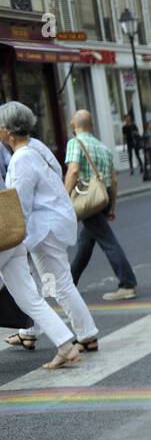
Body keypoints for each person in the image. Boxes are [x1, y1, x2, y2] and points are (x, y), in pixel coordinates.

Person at [0, 101, 98, 367]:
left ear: (8, 130)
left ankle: (85, 334)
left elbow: (18, 206)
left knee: (58, 284)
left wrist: (20, 241)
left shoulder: (21, 159)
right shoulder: (36, 147)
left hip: (39, 230)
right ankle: (56, 339)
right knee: (40, 290)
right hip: (44, 227)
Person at [65, 109, 139, 302]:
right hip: (102, 199)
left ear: (74, 125)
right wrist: (112, 207)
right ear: (92, 126)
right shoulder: (103, 147)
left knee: (108, 242)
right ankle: (69, 284)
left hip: (88, 200)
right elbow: (114, 180)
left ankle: (127, 283)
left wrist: (64, 198)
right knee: (85, 244)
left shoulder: (75, 143)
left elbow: (73, 171)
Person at [122, 112, 148, 177]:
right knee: (130, 156)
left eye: (128, 118)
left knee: (137, 155)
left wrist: (135, 133)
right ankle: (131, 169)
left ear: (130, 118)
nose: (127, 119)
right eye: (126, 118)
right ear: (125, 119)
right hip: (129, 142)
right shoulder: (124, 127)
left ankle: (141, 166)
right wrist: (124, 145)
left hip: (135, 142)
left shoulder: (133, 125)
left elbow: (137, 132)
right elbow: (124, 136)